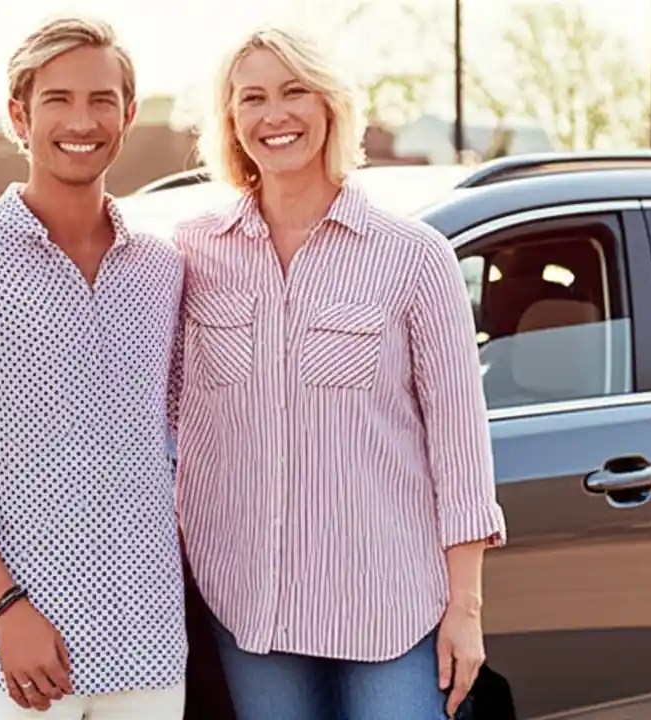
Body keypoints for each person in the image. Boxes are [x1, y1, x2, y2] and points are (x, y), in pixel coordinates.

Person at [170, 25, 507, 720]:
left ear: (330, 106)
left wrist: (465, 610)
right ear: (231, 120)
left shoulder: (413, 257)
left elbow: (461, 450)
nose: (275, 115)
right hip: (251, 606)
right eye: (252, 98)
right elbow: (164, 418)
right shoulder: (195, 255)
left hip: (389, 605)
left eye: (295, 91)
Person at [0, 15, 188, 720]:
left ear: (128, 114)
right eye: (57, 99)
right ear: (19, 116)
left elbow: (178, 437)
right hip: (18, 651)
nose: (81, 120)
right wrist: (5, 607)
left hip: (147, 642)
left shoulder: (162, 269)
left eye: (101, 100)